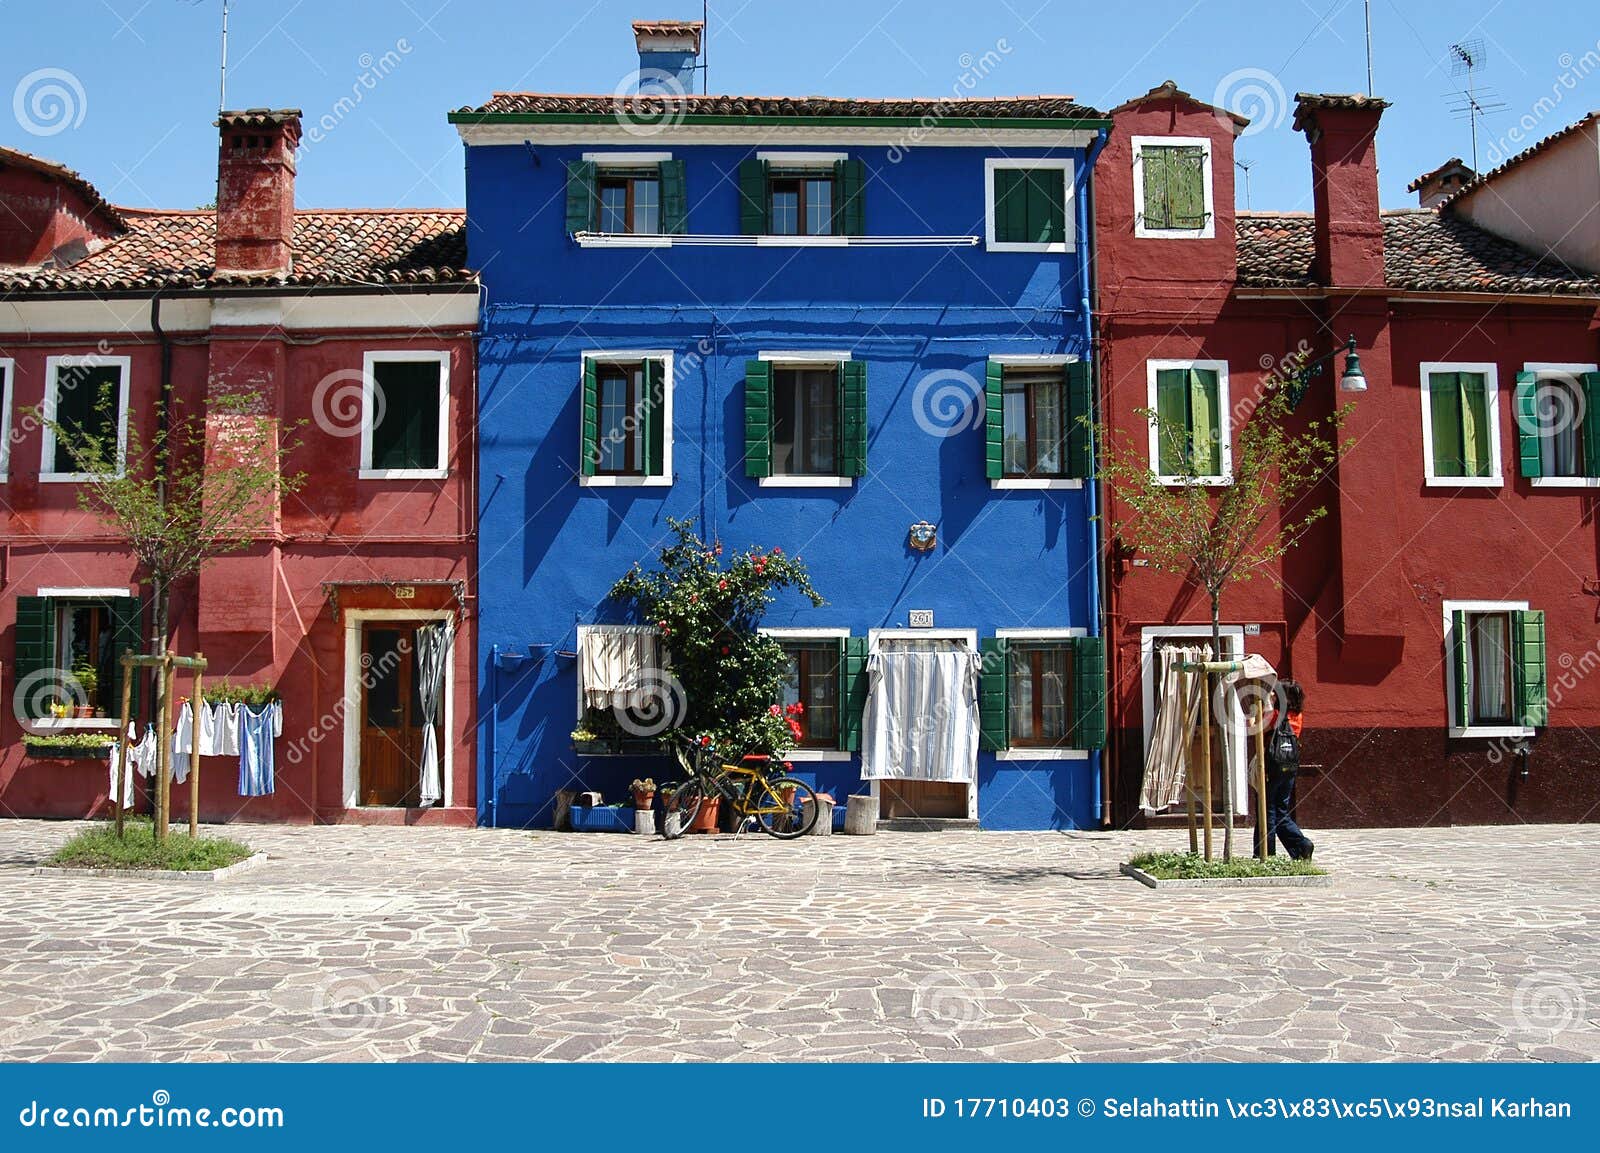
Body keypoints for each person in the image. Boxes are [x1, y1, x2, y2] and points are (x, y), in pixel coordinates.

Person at [1264, 680, 1314, 860]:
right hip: (1290, 766)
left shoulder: (1276, 714)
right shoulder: (1297, 716)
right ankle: (1301, 845)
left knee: (1267, 810)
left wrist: (1267, 701)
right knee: (1281, 810)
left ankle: (1265, 853)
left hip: (1272, 766)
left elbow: (1258, 723)